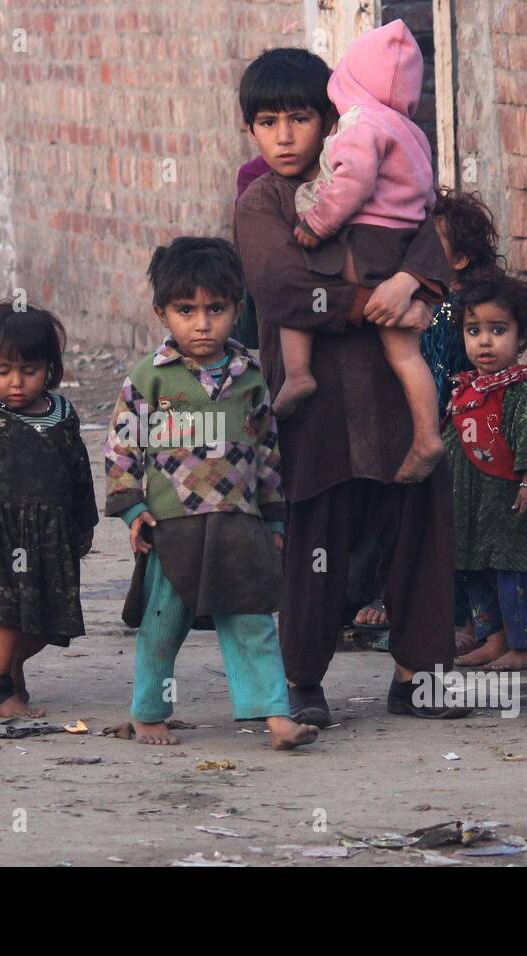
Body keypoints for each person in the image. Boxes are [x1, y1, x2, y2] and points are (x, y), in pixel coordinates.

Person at [233, 47, 469, 724]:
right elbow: (280, 287)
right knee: (317, 538)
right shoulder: (263, 202)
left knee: (418, 526)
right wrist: (373, 303)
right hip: (317, 400)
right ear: (251, 130)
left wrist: (412, 280)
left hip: (394, 393)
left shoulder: (372, 173)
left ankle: (418, 676)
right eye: (268, 122)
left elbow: (428, 236)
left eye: (300, 119)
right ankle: (302, 681)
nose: (284, 137)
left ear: (330, 118)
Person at [102, 237, 319, 749]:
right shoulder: (149, 379)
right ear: (161, 313)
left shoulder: (250, 379)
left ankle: (277, 719)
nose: (202, 324)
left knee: (252, 622)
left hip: (238, 525)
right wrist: (133, 510)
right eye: (186, 310)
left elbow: (267, 452)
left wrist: (274, 519)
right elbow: (121, 448)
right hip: (172, 528)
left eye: (215, 309)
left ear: (237, 310)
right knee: (161, 626)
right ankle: (148, 714)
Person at [273, 21, 443, 489]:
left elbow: (353, 180)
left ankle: (298, 373)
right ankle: (427, 435)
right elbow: (428, 194)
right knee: (406, 355)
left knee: (302, 284)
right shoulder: (411, 131)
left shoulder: (360, 122)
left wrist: (319, 222)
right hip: (401, 238)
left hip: (364, 239)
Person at [355, 186, 504, 651]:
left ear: (458, 260)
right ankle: (407, 607)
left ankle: (457, 621)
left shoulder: (457, 311)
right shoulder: (425, 303)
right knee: (412, 524)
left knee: (450, 529)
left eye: (427, 244)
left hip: (455, 432)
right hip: (427, 427)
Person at [0, 303, 99, 718]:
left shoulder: (63, 416)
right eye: (2, 370)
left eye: (29, 370)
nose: (16, 381)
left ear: (49, 368)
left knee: (47, 620)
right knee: (5, 614)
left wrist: (85, 523)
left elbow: (78, 471)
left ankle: (7, 669)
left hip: (49, 536)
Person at [444, 276, 527, 671]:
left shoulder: (520, 390)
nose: (484, 342)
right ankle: (493, 639)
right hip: (471, 505)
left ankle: (524, 646)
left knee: (511, 573)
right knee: (475, 571)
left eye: (498, 330)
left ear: (522, 336)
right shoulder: (466, 390)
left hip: (509, 502)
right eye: (473, 330)